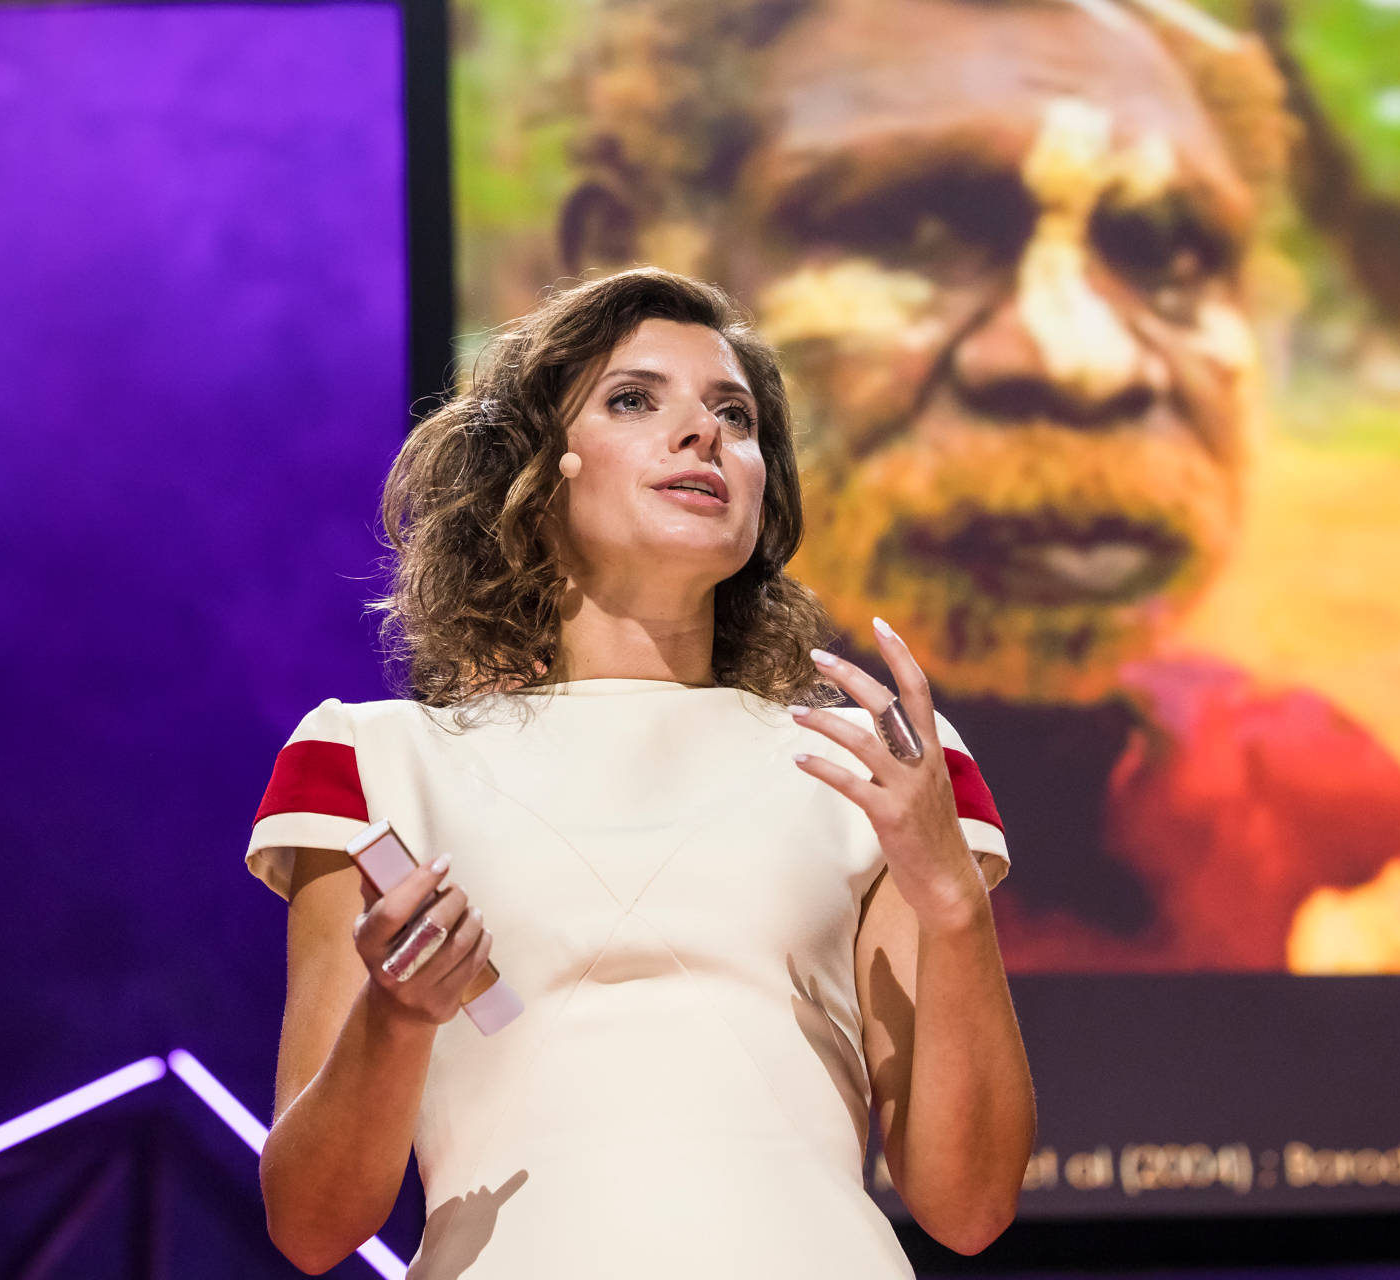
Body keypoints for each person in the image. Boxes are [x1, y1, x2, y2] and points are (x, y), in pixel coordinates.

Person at [546, 0, 1400, 973]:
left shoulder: (1310, 809)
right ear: (621, 280)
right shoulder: (514, 827)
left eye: (1168, 248)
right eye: (914, 230)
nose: (1082, 360)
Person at [246, 269, 1034, 1275]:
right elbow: (310, 1223)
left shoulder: (875, 765)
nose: (704, 434)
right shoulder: (375, 760)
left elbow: (969, 1205)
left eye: (735, 415)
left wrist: (954, 903)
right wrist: (398, 1013)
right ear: (543, 467)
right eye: (635, 398)